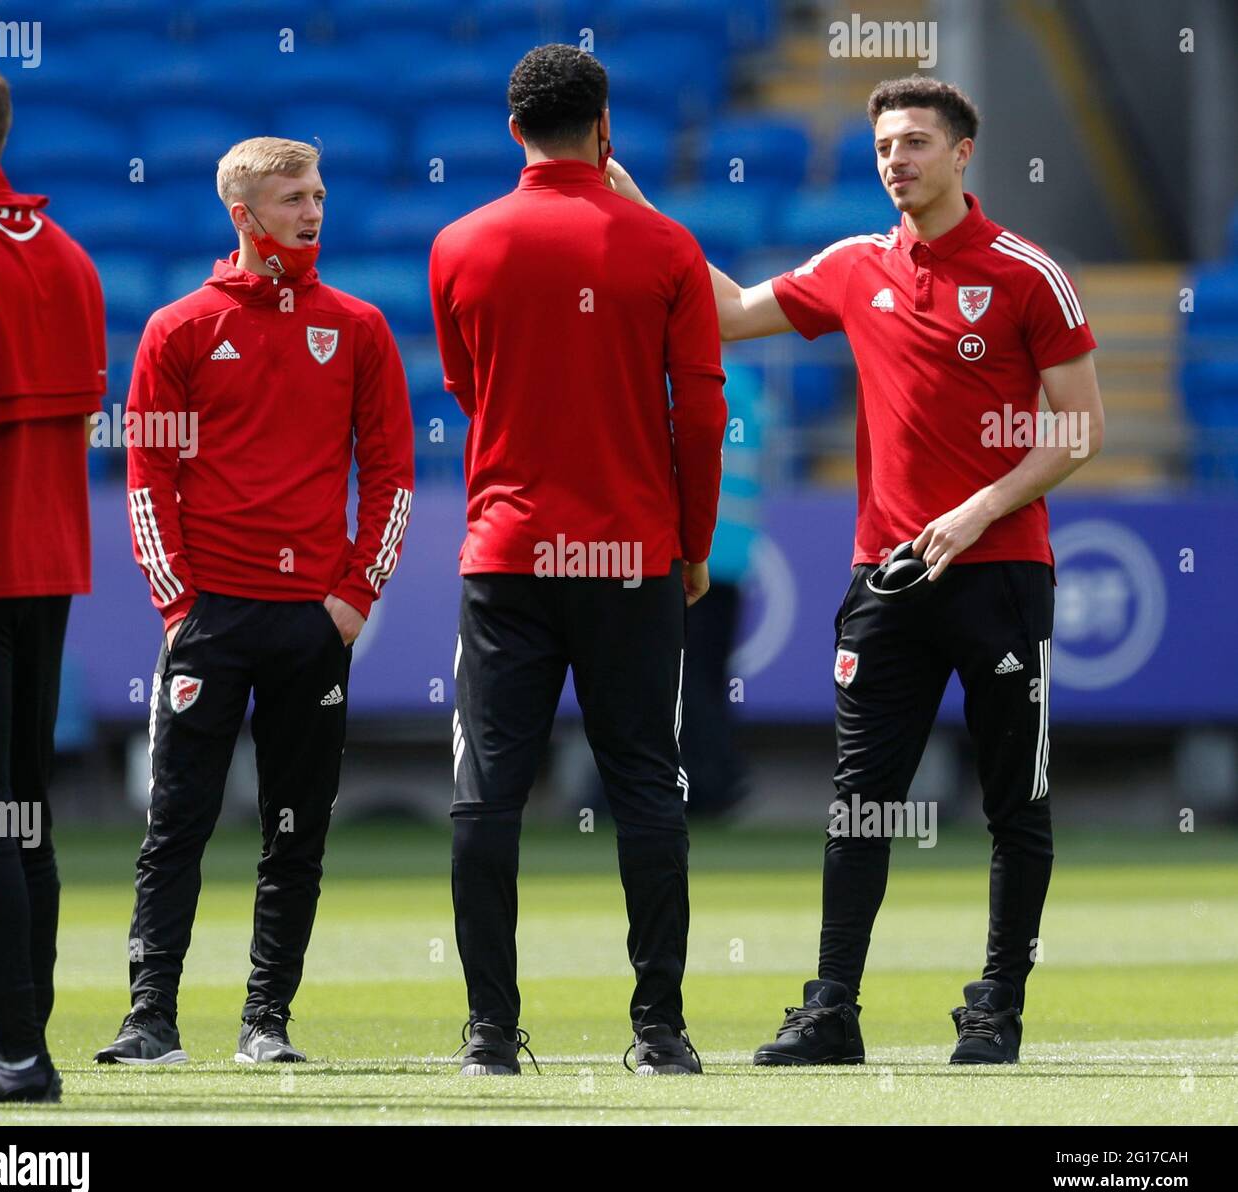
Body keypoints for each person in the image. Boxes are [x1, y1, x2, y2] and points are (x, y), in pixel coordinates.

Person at [608, 75, 1104, 1064]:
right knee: (860, 800)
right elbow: (733, 313)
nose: (897, 160)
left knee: (1015, 804)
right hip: (886, 580)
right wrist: (639, 213)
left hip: (1002, 572)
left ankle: (995, 1007)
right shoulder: (853, 265)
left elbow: (1081, 428)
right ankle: (832, 1009)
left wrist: (979, 507)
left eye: (916, 142)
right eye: (884, 146)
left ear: (963, 153)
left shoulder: (1024, 275)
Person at [430, 44, 727, 1075]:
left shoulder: (457, 244)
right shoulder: (666, 247)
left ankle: (489, 1037)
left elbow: (470, 389)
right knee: (648, 785)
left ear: (512, 129)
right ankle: (660, 1033)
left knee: (485, 795)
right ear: (607, 130)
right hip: (632, 555)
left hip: (506, 555)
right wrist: (693, 544)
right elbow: (700, 409)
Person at [95, 137, 414, 1066]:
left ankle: (265, 1022)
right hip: (210, 620)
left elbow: (391, 471)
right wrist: (176, 604)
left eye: (318, 194)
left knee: (294, 830)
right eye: (291, 199)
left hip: (312, 620)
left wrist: (354, 596)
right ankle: (151, 1017)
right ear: (243, 215)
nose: (313, 212)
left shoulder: (357, 327)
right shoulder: (177, 329)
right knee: (177, 823)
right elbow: (147, 473)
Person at [0, 60, 105, 1102]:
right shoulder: (72, 255)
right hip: (45, 560)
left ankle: (15, 1053)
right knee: (18, 817)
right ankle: (5, 1037)